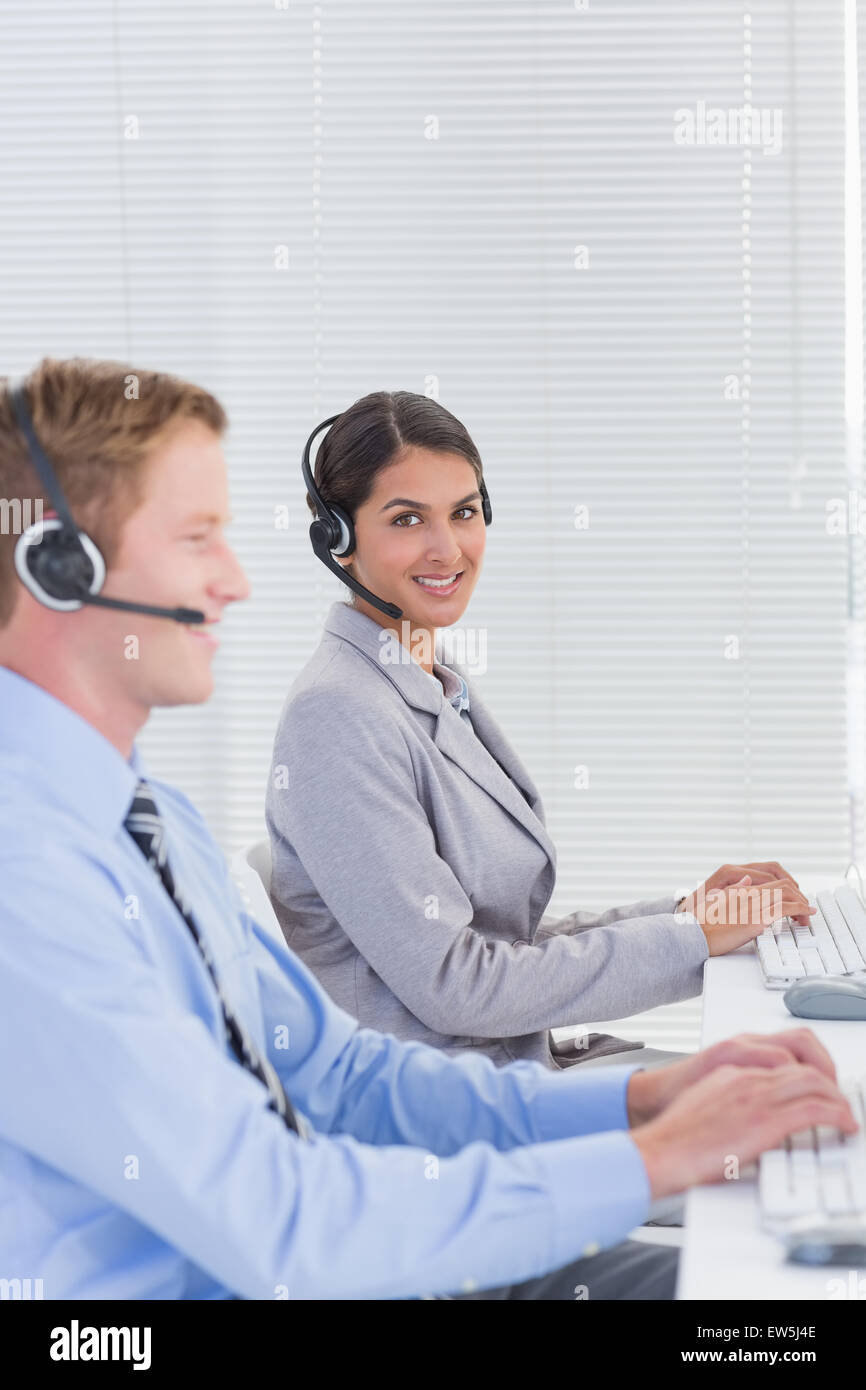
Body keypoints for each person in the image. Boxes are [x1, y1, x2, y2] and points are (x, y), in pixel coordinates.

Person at [0, 357, 848, 1302]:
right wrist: (650, 1159)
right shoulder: (30, 873)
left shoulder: (149, 819)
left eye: (466, 511)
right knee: (784, 1312)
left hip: (381, 1218)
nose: (236, 581)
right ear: (60, 569)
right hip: (328, 1257)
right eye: (198, 537)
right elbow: (282, 1219)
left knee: (794, 1286)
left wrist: (642, 1098)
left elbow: (344, 1076)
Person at [267, 391, 814, 1072]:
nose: (447, 549)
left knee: (791, 1077)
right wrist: (697, 937)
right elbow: (457, 984)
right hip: (447, 1113)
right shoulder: (338, 714)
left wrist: (688, 915)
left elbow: (505, 942)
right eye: (407, 519)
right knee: (785, 1093)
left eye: (464, 513)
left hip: (508, 1070)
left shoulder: (426, 679)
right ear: (337, 540)